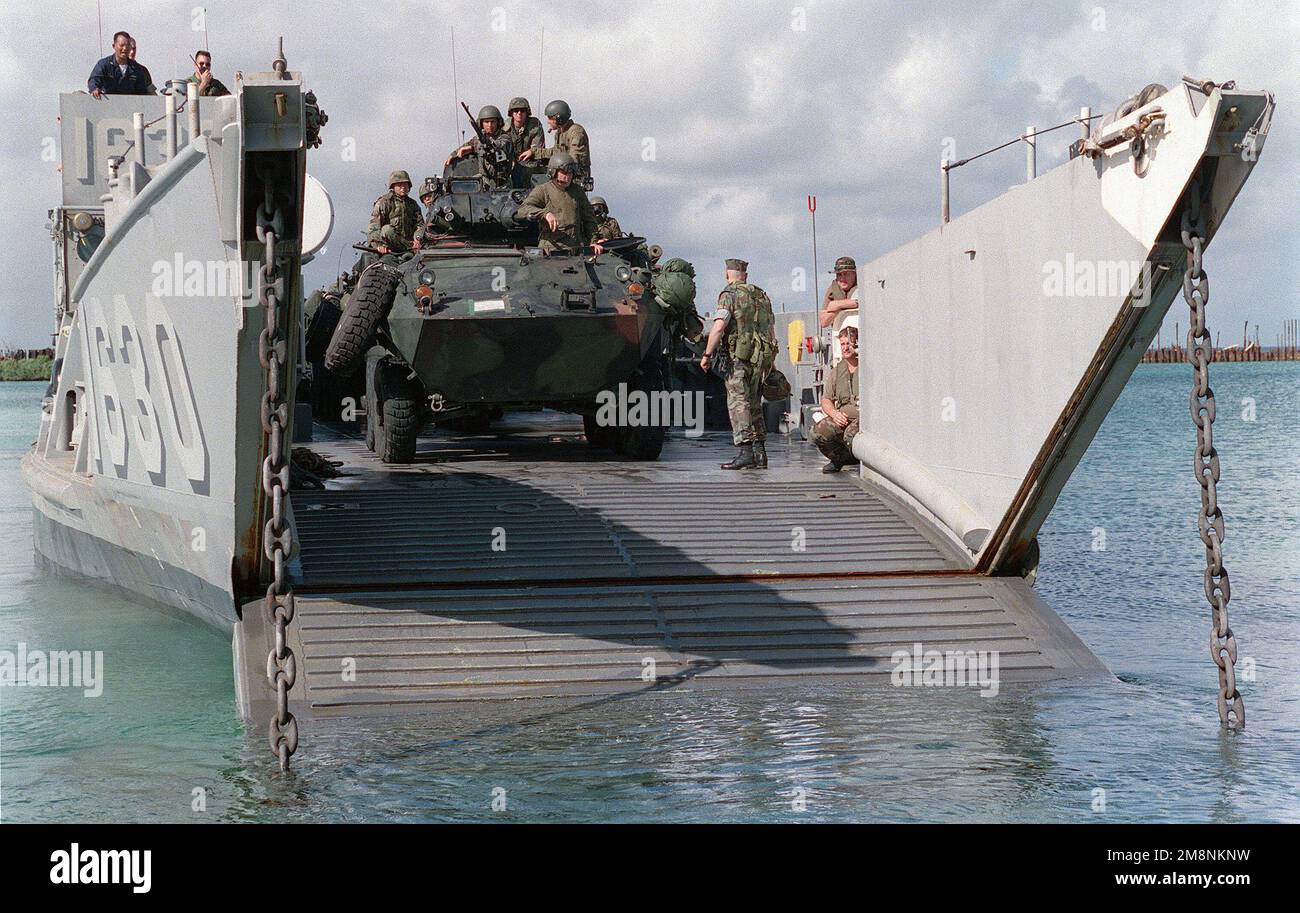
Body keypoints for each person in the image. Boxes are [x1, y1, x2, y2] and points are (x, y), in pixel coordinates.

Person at [700, 259, 778, 470]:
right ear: (745, 274)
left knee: (738, 403)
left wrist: (707, 354)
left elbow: (718, 327)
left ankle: (745, 452)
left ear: (727, 274)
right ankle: (760, 453)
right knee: (754, 402)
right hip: (761, 357)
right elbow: (771, 328)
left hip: (738, 358)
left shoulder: (729, 295)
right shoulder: (761, 295)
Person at [515, 152, 603, 255]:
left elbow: (589, 219)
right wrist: (545, 214)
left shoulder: (578, 191)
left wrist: (594, 241)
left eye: (570, 173)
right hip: (551, 251)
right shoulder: (543, 190)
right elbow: (522, 210)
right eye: (564, 173)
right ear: (553, 172)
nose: (567, 177)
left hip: (576, 249)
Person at [810, 324, 861, 472]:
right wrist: (834, 414)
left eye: (849, 344)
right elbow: (826, 400)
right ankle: (840, 458)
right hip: (843, 416)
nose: (845, 348)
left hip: (864, 418)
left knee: (851, 434)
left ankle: (863, 461)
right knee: (818, 431)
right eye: (843, 344)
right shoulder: (838, 370)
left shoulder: (867, 366)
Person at [445, 105, 515, 187]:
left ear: (498, 122)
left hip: (502, 182)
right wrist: (453, 154)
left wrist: (474, 148)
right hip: (483, 180)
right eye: (486, 122)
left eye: (492, 121)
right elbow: (466, 145)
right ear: (481, 123)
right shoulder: (479, 138)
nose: (490, 125)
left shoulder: (505, 138)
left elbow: (497, 147)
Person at [520, 99, 590, 180]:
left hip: (574, 177)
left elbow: (574, 159)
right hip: (564, 172)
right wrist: (533, 152)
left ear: (559, 118)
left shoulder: (576, 132)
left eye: (550, 118)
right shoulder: (560, 132)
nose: (548, 122)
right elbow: (556, 152)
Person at [367, 170, 423, 254]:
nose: (403, 187)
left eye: (405, 185)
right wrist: (379, 245)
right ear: (393, 187)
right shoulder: (384, 202)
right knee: (387, 230)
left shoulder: (413, 204)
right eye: (399, 185)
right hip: (389, 245)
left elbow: (420, 225)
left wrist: (417, 240)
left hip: (410, 245)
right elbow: (374, 226)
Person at [88, 31, 154, 97]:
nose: (125, 48)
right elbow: (94, 80)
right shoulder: (104, 64)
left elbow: (142, 93)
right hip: (107, 105)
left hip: (130, 105)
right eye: (122, 45)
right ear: (114, 46)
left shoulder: (137, 69)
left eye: (127, 45)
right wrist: (94, 89)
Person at [819, 255, 859, 328]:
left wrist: (838, 305)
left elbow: (867, 303)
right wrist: (838, 310)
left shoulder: (863, 285)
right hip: (840, 334)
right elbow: (823, 322)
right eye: (839, 275)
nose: (842, 278)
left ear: (854, 274)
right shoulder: (833, 289)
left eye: (846, 274)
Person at [505, 97, 544, 162]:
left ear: (527, 112)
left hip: (530, 161)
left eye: (522, 110)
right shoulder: (505, 127)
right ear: (511, 113)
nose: (519, 113)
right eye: (516, 110)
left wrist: (531, 151)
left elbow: (538, 147)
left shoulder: (535, 126)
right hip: (509, 162)